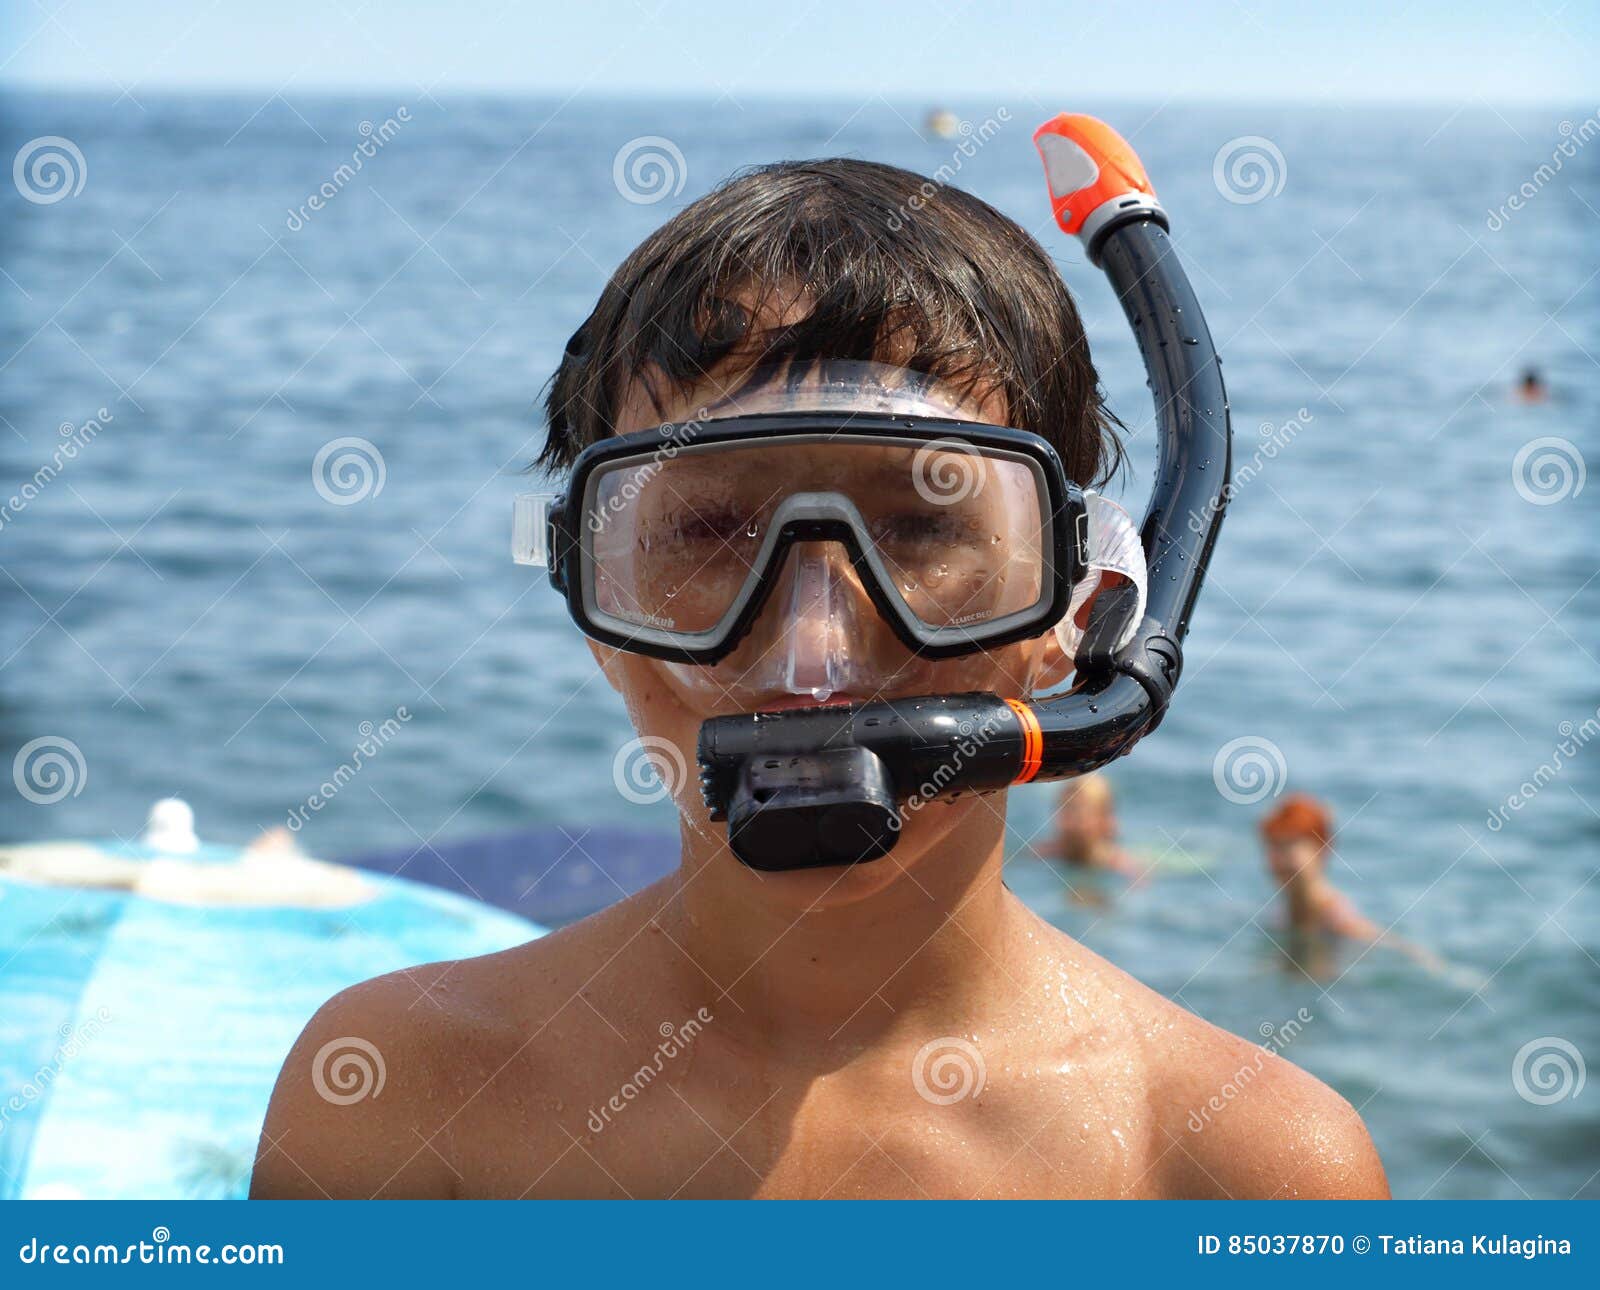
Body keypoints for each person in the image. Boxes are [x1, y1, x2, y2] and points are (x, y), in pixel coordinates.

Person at [252, 160, 1386, 1200]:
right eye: (706, 529)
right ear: (596, 607)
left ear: (1084, 607)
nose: (816, 660)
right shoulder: (405, 1099)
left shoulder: (1241, 1166)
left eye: (918, 527)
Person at [1260, 794, 1380, 941]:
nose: (1280, 861)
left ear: (1322, 848)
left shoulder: (1337, 918)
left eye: (1288, 848)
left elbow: (1388, 943)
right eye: (1273, 846)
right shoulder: (1282, 912)